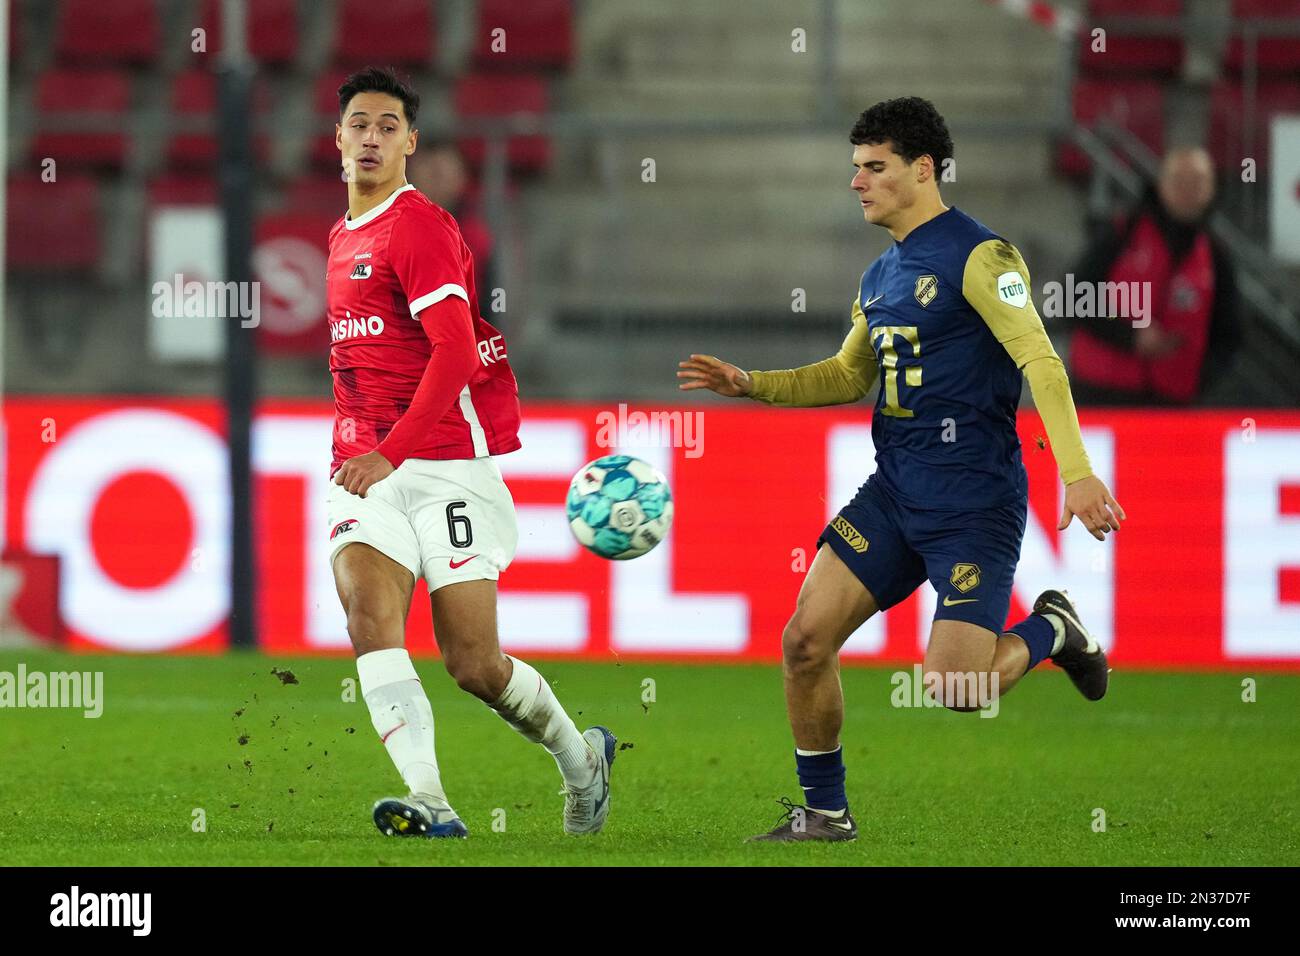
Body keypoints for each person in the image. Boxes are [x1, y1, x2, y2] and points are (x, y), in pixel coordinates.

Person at [678, 97, 1123, 843]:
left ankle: (1054, 627)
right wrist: (750, 383)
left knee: (956, 685)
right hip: (894, 492)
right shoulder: (881, 274)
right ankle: (825, 813)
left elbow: (1040, 359)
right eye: (855, 168)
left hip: (972, 503)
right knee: (804, 641)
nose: (857, 182)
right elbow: (848, 377)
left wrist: (1076, 473)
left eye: (874, 167)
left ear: (923, 170)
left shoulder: (983, 256)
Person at [325, 66, 614, 840]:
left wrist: (390, 451)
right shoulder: (341, 236)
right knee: (368, 616)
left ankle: (582, 761)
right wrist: (370, 455)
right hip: (365, 470)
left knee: (474, 664)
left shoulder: (417, 227)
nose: (373, 137)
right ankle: (432, 801)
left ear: (410, 143)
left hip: (443, 464)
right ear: (340, 138)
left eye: (389, 126)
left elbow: (452, 355)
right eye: (360, 123)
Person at [1067, 146, 1239, 405]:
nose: (1187, 190)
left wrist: (1199, 379)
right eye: (1178, 180)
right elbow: (1071, 299)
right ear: (1161, 184)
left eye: (1198, 182)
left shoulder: (1216, 255)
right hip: (1099, 397)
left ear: (1212, 189)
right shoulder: (1122, 233)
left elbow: (1230, 332)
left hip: (1173, 404)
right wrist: (1130, 336)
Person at [407, 140, 497, 299]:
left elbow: (496, 296)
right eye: (431, 172)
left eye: (442, 173)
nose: (437, 181)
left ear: (463, 177)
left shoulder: (477, 237)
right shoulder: (390, 231)